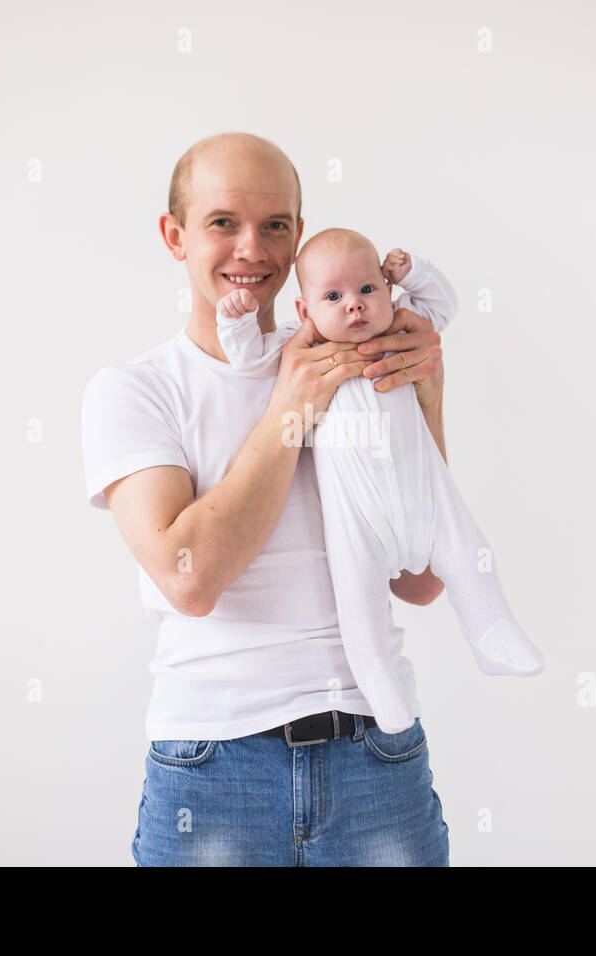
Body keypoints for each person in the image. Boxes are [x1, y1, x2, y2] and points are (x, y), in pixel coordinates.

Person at [81, 132, 451, 866]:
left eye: (275, 225)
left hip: (376, 758)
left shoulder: (349, 359)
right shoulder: (135, 391)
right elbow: (190, 577)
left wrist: (425, 395)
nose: (252, 248)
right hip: (214, 772)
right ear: (174, 235)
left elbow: (420, 577)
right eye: (223, 223)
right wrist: (290, 409)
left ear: (298, 239)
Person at [214, 228, 544, 736]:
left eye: (368, 289)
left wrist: (414, 272)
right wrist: (234, 318)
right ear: (304, 313)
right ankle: (379, 683)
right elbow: (247, 357)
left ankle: (492, 632)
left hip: (425, 495)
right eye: (333, 297)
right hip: (358, 516)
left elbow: (443, 306)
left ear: (387, 292)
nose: (354, 306)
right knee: (358, 598)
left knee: (470, 552)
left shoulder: (404, 337)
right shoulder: (298, 354)